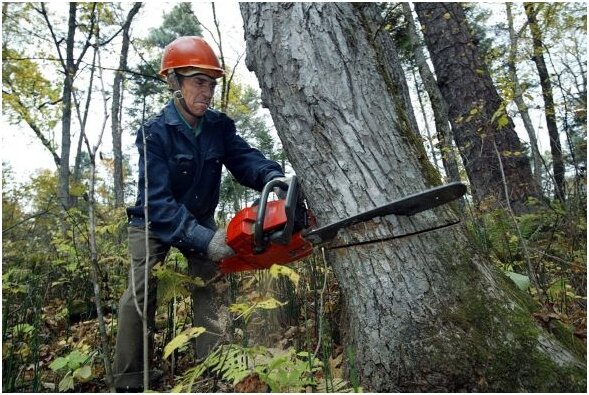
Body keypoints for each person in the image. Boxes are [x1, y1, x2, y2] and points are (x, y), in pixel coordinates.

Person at [113, 36, 285, 391]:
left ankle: (216, 363)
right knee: (140, 291)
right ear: (175, 82)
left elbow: (243, 158)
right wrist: (205, 239)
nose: (206, 92)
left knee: (210, 280)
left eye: (211, 83)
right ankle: (131, 378)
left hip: (199, 217)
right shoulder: (154, 132)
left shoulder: (219, 126)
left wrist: (271, 175)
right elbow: (157, 202)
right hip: (153, 221)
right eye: (198, 82)